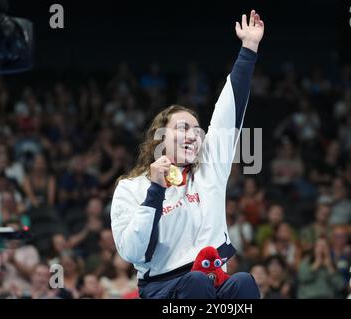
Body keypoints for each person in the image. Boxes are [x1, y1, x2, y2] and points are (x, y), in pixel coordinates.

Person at [110, 10, 264, 299]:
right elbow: (133, 251)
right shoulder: (131, 188)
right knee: (196, 283)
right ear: (160, 137)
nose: (194, 135)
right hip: (163, 290)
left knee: (243, 282)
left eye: (197, 130)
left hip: (213, 280)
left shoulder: (208, 171)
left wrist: (248, 49)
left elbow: (228, 114)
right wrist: (155, 191)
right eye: (183, 128)